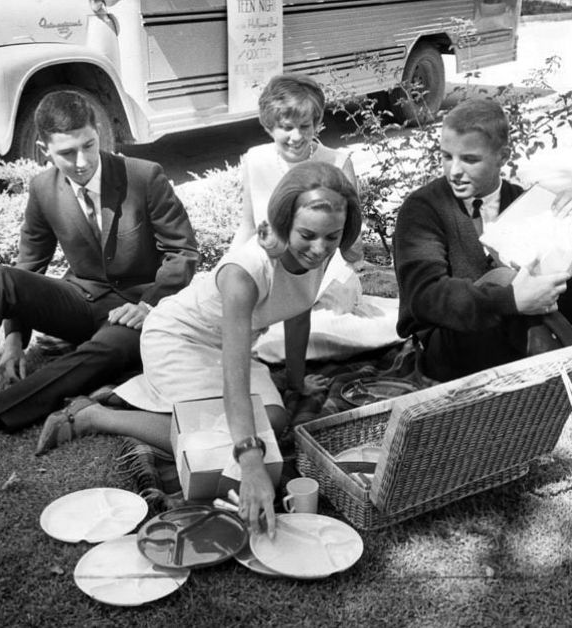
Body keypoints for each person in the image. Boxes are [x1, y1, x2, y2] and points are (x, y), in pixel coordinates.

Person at [36, 161, 361, 535]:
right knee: (224, 432)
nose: (320, 249)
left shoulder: (318, 249)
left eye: (332, 237)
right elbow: (233, 376)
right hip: (178, 337)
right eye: (308, 235)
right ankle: (93, 416)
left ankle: (144, 401)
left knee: (274, 419)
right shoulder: (246, 272)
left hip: (223, 344)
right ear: (286, 221)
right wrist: (250, 461)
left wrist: (297, 382)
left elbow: (298, 310)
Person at [0, 91, 199, 445]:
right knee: (3, 279)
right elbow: (30, 263)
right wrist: (14, 339)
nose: (82, 161)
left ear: (98, 133)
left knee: (104, 351)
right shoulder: (43, 188)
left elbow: (182, 252)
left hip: (134, 311)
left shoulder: (144, 176)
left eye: (88, 145)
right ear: (45, 150)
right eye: (66, 152)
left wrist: (148, 305)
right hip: (80, 299)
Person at [393, 97, 572, 383]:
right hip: (451, 342)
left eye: (469, 159)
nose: (454, 171)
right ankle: (564, 372)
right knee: (503, 278)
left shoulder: (526, 203)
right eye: (446, 156)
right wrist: (511, 300)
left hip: (526, 331)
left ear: (502, 157)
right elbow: (425, 298)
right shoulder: (422, 208)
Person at [232, 73, 358, 248]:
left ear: (315, 123)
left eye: (305, 126)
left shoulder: (338, 163)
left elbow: (351, 237)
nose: (296, 136)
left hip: (320, 265)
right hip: (267, 262)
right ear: (270, 127)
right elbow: (248, 227)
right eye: (287, 127)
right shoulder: (255, 160)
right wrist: (227, 266)